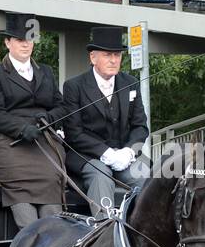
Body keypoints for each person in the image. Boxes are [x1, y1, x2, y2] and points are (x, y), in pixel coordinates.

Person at [0, 13, 67, 228]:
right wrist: (21, 128)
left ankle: (53, 236)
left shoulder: (45, 71)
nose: (25, 45)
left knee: (50, 185)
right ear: (8, 42)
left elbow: (61, 106)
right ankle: (29, 237)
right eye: (20, 40)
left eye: (29, 40)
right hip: (7, 140)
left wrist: (48, 119)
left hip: (42, 139)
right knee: (22, 191)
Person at [58, 26, 150, 217]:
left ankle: (143, 234)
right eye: (108, 55)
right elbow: (74, 133)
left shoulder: (130, 82)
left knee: (148, 178)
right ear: (93, 58)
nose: (114, 60)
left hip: (123, 155)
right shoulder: (74, 86)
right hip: (87, 156)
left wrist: (129, 151)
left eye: (117, 55)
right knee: (101, 177)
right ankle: (105, 232)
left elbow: (140, 126)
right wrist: (105, 152)